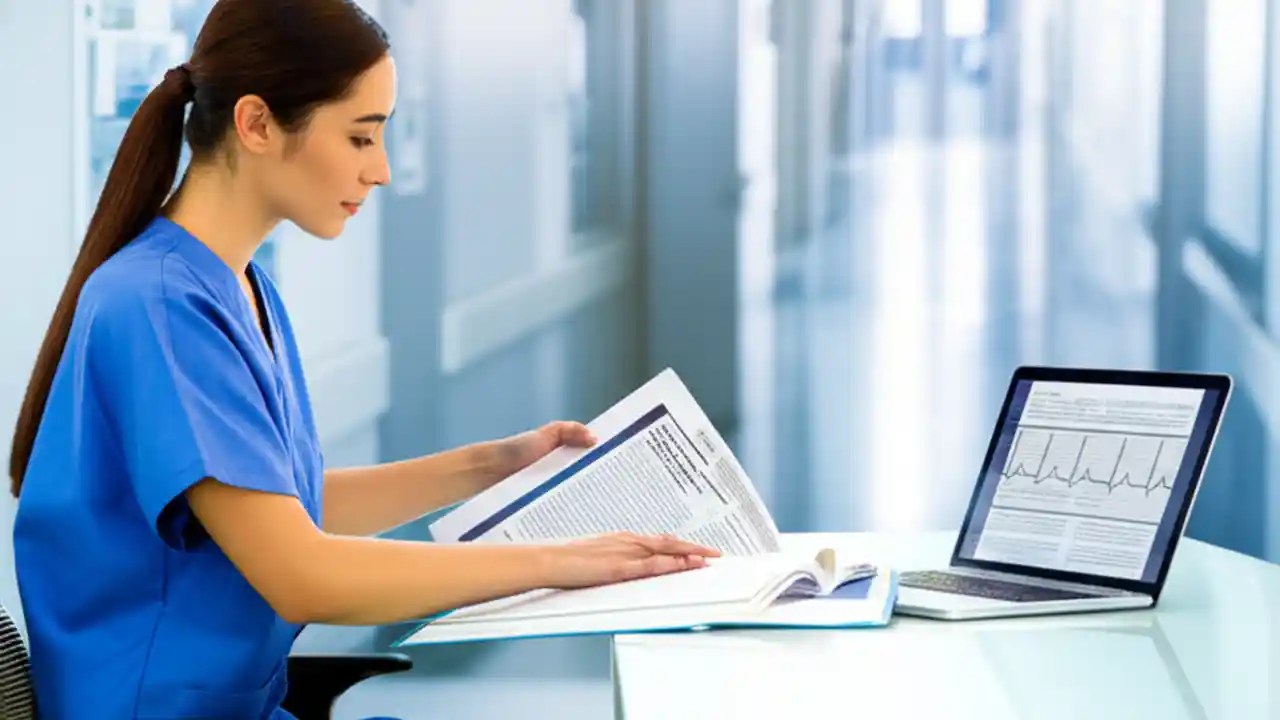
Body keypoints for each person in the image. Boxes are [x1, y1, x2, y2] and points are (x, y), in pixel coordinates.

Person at [8, 1, 718, 717]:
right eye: (359, 137)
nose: (379, 170)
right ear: (256, 124)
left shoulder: (236, 287)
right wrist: (563, 565)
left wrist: (492, 466)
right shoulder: (158, 303)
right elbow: (301, 574)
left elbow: (283, 506)